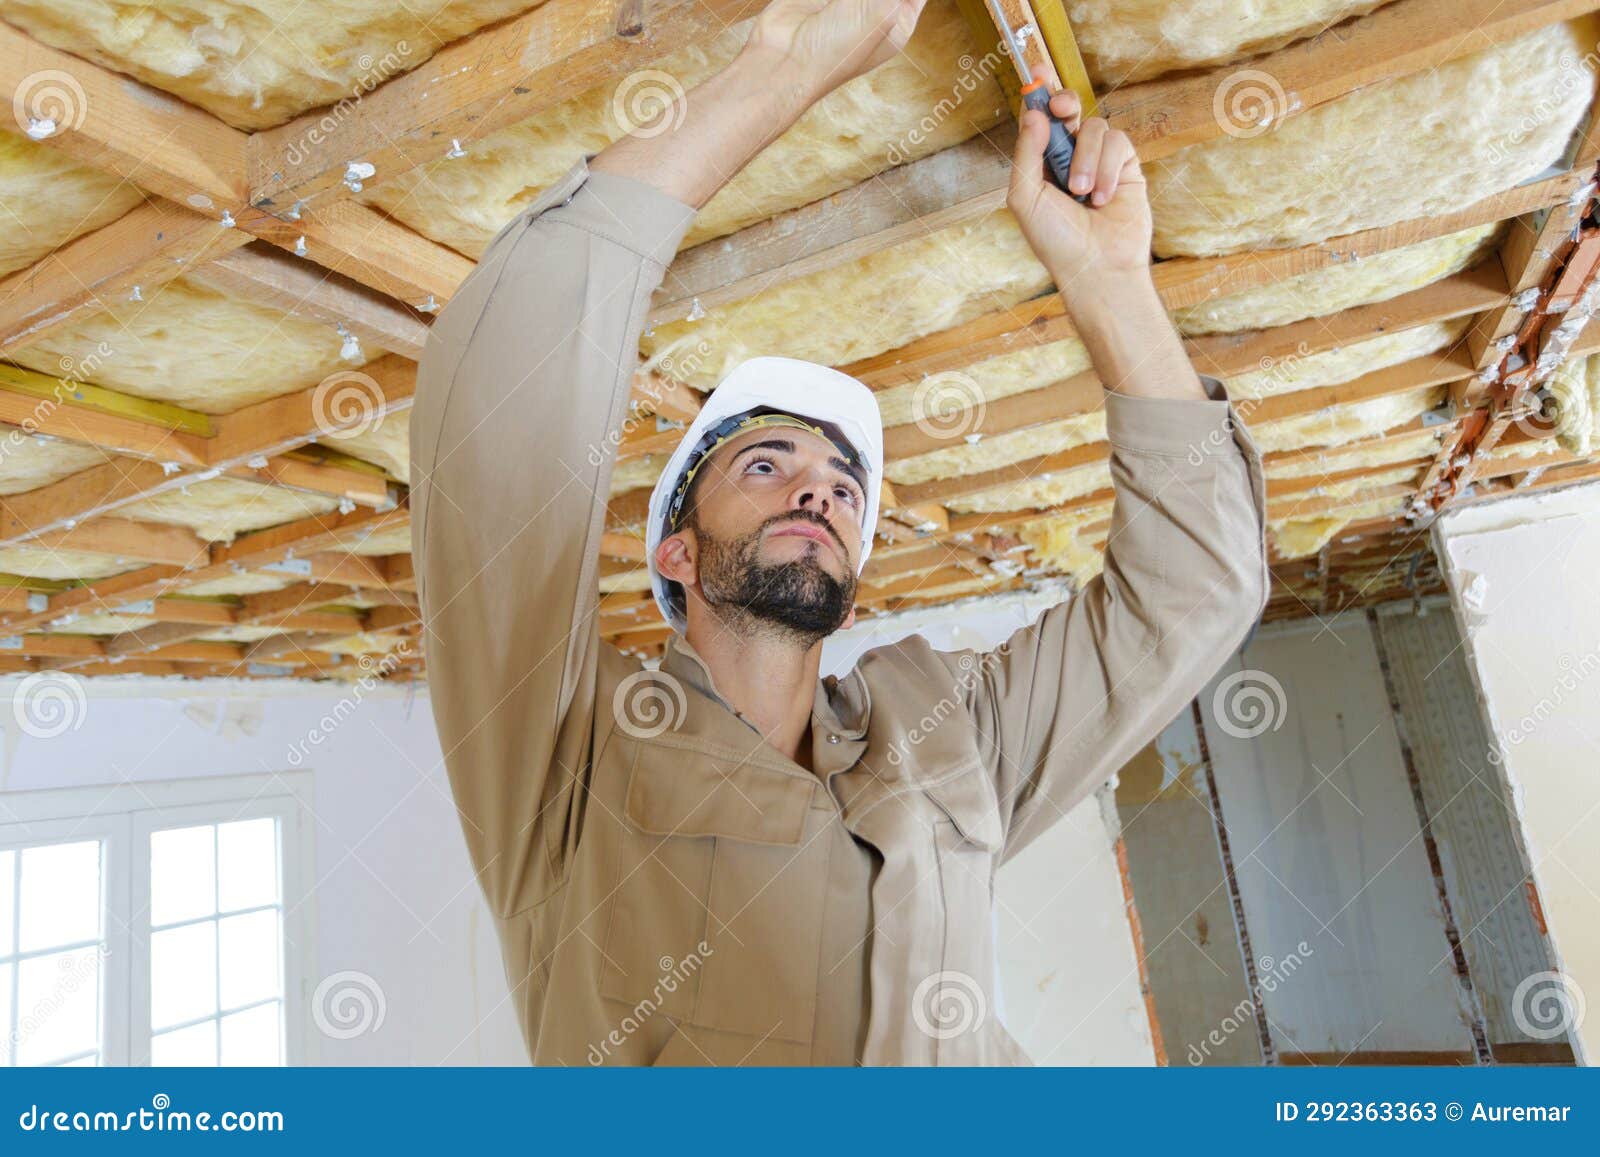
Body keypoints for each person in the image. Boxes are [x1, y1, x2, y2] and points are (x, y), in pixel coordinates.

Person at [411, 0, 1267, 1065]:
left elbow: (1196, 591)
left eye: (843, 486)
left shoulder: (952, 728)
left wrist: (1107, 283)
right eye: (764, 464)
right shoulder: (563, 756)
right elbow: (498, 420)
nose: (817, 491)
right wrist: (784, 67)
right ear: (674, 551)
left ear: (855, 573)